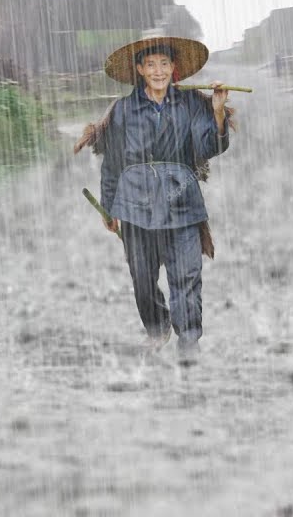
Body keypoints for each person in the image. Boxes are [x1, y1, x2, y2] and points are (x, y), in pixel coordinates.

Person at [87, 36, 232, 364]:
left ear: (174, 68)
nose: (158, 71)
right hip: (134, 203)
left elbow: (210, 147)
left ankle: (189, 343)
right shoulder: (123, 110)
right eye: (150, 64)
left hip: (181, 199)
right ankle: (156, 326)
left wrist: (218, 111)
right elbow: (112, 162)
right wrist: (108, 207)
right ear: (139, 69)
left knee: (186, 274)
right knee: (141, 275)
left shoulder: (192, 105)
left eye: (164, 64)